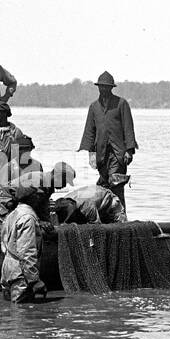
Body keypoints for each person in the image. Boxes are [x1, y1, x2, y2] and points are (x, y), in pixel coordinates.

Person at [78, 70, 137, 208]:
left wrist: (129, 150)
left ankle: (121, 218)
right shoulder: (94, 107)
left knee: (116, 184)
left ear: (111, 87)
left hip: (118, 154)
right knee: (104, 185)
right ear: (98, 87)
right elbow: (89, 131)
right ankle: (107, 216)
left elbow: (128, 128)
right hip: (101, 155)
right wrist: (91, 154)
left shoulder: (121, 104)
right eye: (101, 86)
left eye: (106, 86)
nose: (103, 89)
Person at [0, 134, 45, 235]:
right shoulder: (9, 167)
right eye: (21, 150)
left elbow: (40, 187)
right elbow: (3, 193)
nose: (24, 152)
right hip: (12, 203)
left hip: (31, 202)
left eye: (27, 149)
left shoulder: (36, 165)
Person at [0, 190, 47, 303]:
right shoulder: (28, 218)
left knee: (10, 312)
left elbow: (4, 241)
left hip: (7, 268)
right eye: (38, 196)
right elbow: (27, 251)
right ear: (32, 198)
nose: (40, 199)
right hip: (21, 272)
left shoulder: (12, 214)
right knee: (21, 312)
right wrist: (34, 280)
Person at [53, 182, 126, 225]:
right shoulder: (63, 201)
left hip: (111, 204)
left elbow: (97, 228)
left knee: (121, 228)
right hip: (95, 203)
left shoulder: (86, 206)